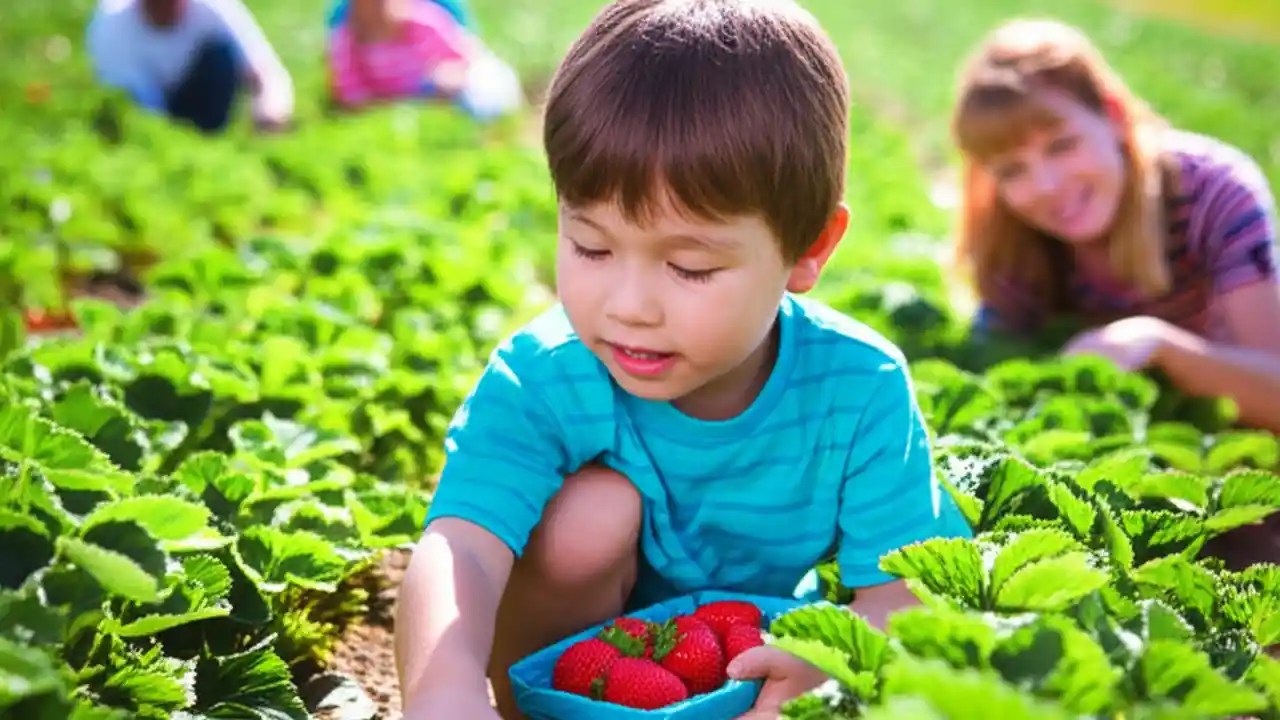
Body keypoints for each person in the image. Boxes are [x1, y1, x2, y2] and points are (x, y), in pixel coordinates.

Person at [392, 1, 972, 718]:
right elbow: (462, 550)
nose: (630, 305)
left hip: (746, 668)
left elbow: (898, 596)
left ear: (809, 248)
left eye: (690, 267)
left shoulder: (858, 388)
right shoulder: (543, 376)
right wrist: (443, 691)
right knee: (591, 516)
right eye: (592, 247)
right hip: (580, 679)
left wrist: (833, 653)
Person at [948, 18, 1280, 569]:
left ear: (1115, 117)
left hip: (1243, 455)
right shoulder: (1012, 239)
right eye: (1013, 169)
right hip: (1121, 473)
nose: (1048, 186)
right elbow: (998, 390)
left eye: (1062, 145)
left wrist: (1158, 346)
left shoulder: (1211, 194)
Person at [86, 0, 294, 134]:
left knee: (220, 54)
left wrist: (270, 114)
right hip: (146, 115)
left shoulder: (215, 7)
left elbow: (266, 72)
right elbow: (132, 106)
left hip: (202, 105)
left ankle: (211, 138)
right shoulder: (110, 24)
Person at [325, 0, 523, 121]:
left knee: (485, 91)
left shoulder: (422, 23)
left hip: (437, 91)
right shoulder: (349, 40)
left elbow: (465, 59)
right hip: (394, 103)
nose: (376, 10)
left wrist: (445, 79)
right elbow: (350, 95)